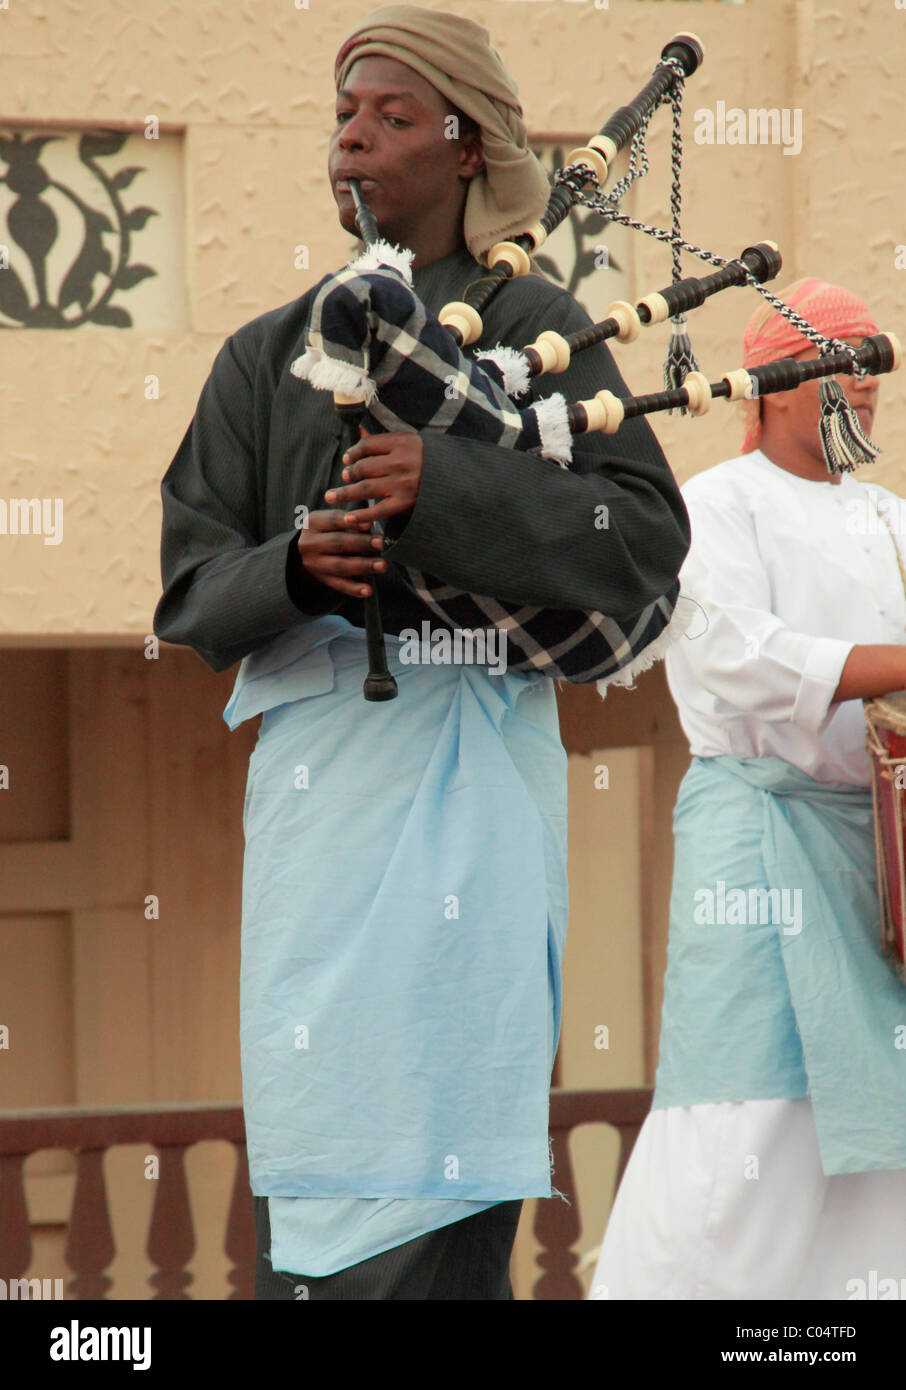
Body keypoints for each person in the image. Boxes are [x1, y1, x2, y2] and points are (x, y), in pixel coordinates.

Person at [153, 4, 689, 1301]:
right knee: (324, 1147)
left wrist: (440, 481)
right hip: (318, 803)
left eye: (392, 117)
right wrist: (293, 568)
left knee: (446, 1156)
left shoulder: (539, 319)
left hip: (474, 784)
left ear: (467, 148)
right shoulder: (264, 354)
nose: (357, 139)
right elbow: (184, 589)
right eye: (344, 116)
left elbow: (641, 533)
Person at [589, 278, 906, 1302]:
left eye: (872, 375)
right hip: (759, 838)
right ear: (767, 391)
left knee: (878, 1131)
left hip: (879, 851)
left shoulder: (893, 517)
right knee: (745, 1116)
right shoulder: (710, 506)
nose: (859, 393)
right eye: (836, 371)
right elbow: (737, 661)